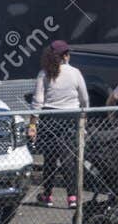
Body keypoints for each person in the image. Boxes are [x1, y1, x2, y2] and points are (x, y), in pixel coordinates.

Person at [29, 39, 88, 208]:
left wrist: (32, 124)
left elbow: (37, 101)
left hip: (50, 117)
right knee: (69, 158)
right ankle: (72, 197)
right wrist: (84, 117)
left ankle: (47, 195)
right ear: (66, 56)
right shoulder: (75, 73)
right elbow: (84, 98)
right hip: (71, 117)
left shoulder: (44, 73)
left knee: (50, 158)